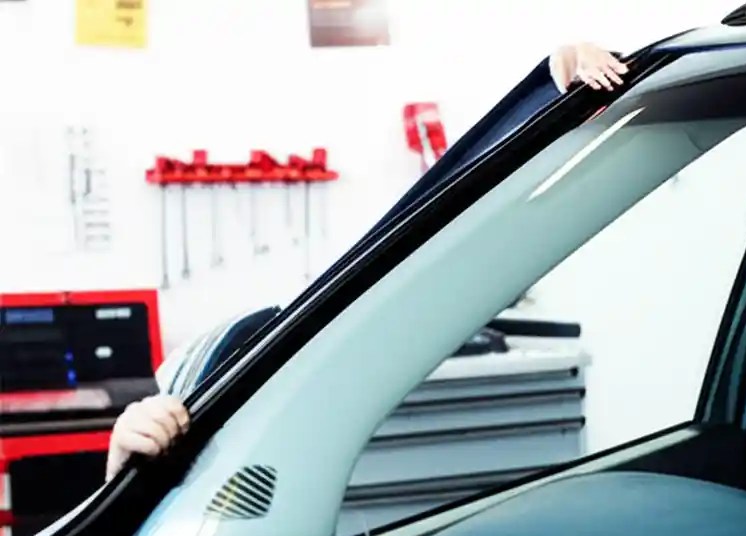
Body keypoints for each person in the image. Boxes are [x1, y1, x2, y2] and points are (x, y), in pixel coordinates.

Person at [105, 42, 626, 482]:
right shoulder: (227, 387)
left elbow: (440, 229)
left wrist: (556, 84)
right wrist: (123, 467)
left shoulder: (385, 362)